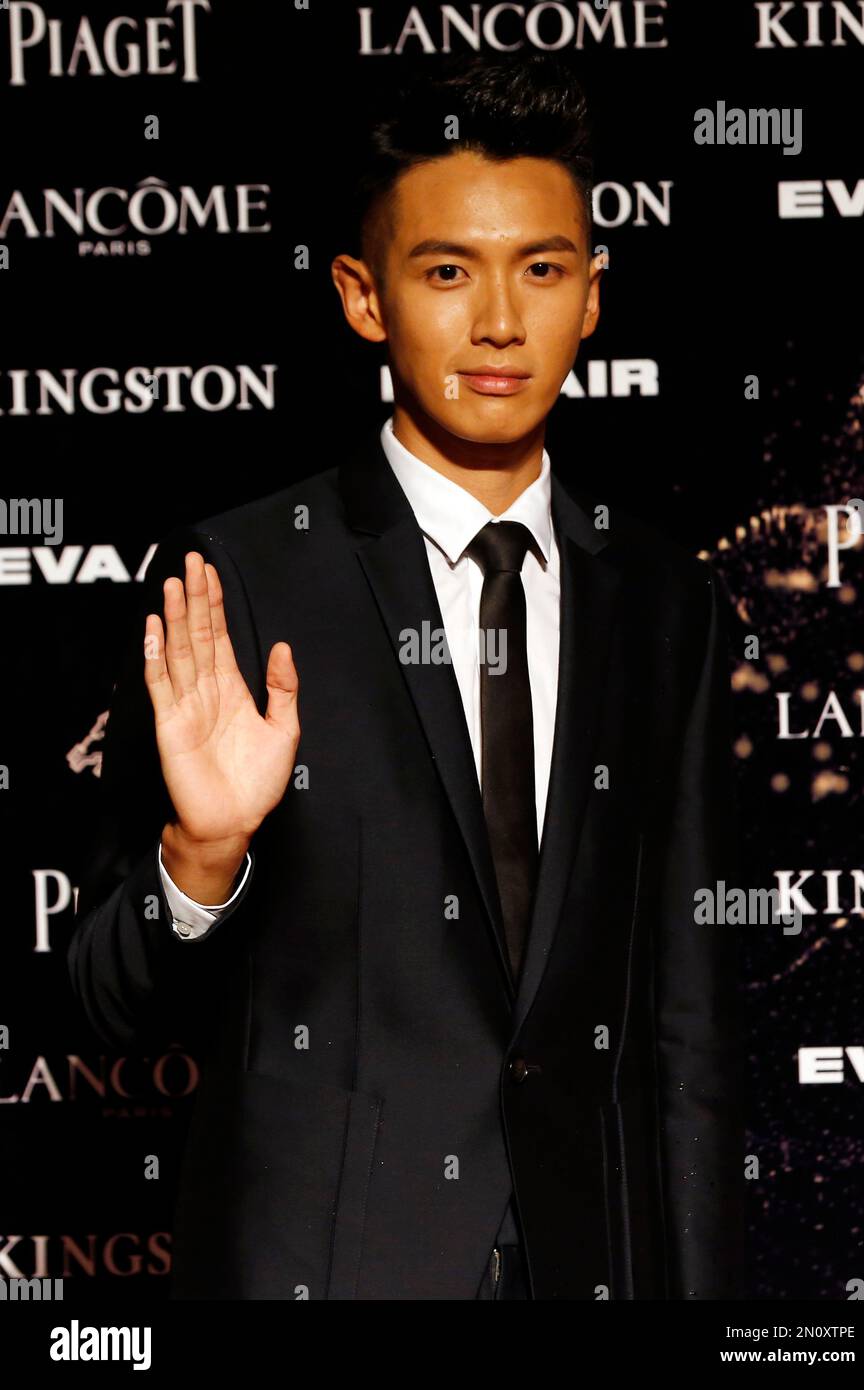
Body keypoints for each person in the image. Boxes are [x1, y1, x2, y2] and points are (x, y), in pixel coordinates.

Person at [68, 52, 744, 1301]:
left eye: (540, 269)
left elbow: (685, 1025)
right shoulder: (243, 574)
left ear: (591, 297)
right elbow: (104, 998)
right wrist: (203, 857)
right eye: (446, 271)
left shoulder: (665, 601)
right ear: (361, 297)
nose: (499, 322)